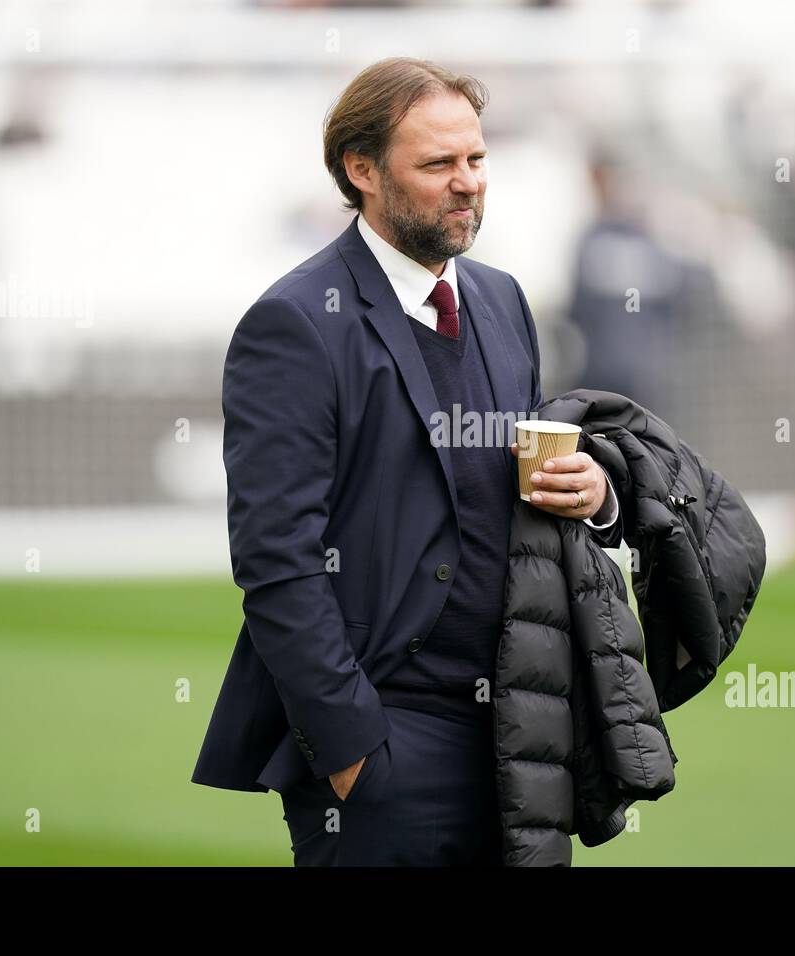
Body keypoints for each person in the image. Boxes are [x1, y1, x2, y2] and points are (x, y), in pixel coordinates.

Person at [191, 57, 624, 866]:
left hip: (520, 736)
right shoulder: (293, 323)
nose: (467, 184)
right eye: (437, 165)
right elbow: (275, 561)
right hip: (386, 744)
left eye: (477, 160)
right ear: (361, 171)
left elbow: (511, 499)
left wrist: (592, 492)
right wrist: (356, 754)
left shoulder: (502, 300)